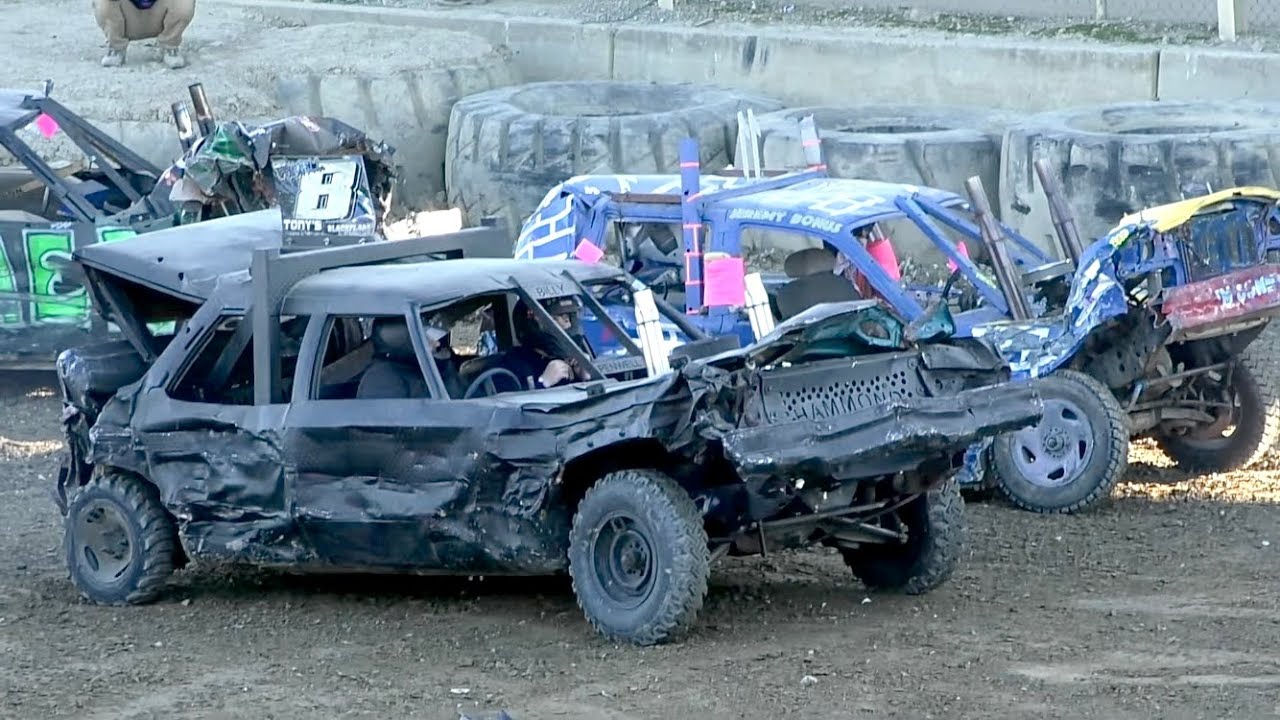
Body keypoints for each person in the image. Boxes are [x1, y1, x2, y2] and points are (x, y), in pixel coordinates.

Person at [507, 296, 593, 389]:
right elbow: (503, 401)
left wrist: (587, 378)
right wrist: (543, 382)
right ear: (534, 323)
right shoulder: (512, 365)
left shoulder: (573, 360)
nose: (569, 324)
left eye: (570, 317)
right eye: (561, 317)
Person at [92, 0, 197, 69]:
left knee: (184, 3)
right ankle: (116, 46)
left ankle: (170, 45)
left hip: (159, 11)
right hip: (127, 13)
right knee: (104, 3)